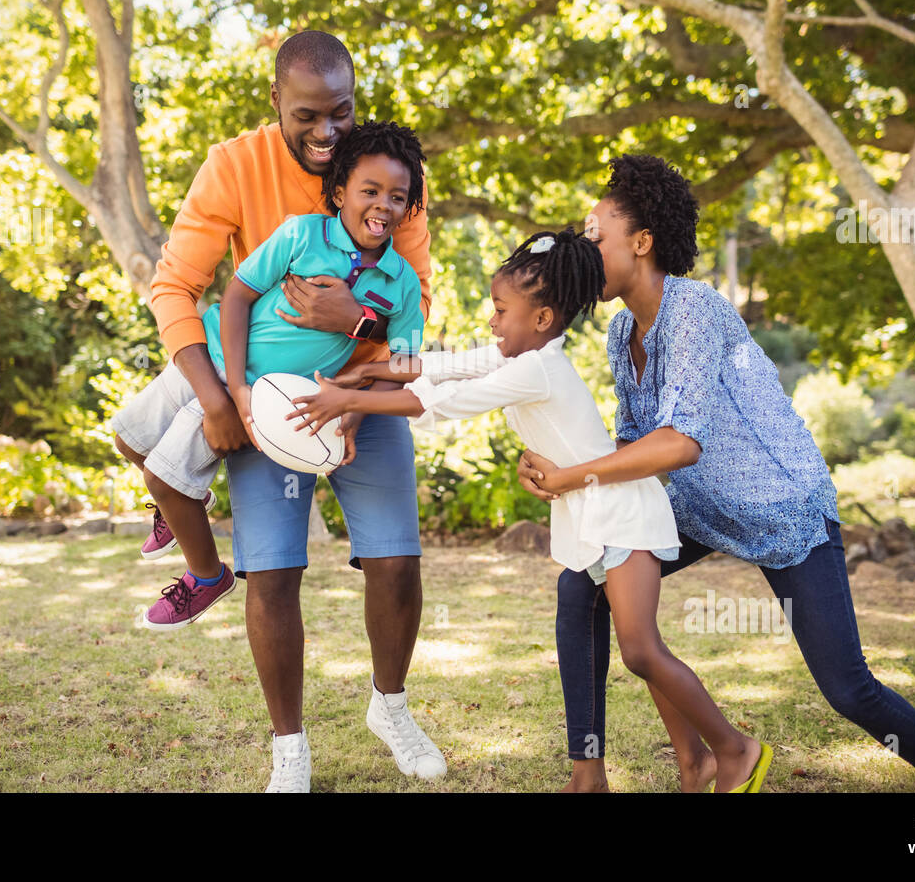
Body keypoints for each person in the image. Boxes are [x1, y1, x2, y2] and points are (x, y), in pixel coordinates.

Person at [516, 154, 915, 794]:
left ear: (642, 242)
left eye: (596, 233)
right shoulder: (622, 328)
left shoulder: (695, 311)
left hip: (782, 510)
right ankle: (606, 773)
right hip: (699, 511)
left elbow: (679, 444)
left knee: (849, 689)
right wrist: (560, 463)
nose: (585, 244)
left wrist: (574, 477)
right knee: (588, 583)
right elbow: (635, 440)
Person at [290, 228, 775, 792]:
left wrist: (345, 398)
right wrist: (370, 371)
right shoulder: (517, 353)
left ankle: (735, 750)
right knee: (639, 648)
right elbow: (440, 367)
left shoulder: (535, 369)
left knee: (642, 649)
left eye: (500, 310)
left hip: (624, 515)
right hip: (592, 520)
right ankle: (695, 764)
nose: (492, 321)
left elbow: (438, 403)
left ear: (542, 318)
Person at [111, 31, 443, 792]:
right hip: (261, 393)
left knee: (395, 564)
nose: (327, 132)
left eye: (341, 112)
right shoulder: (234, 167)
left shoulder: (391, 177)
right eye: (307, 116)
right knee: (272, 575)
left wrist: (354, 356)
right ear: (275, 104)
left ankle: (390, 707)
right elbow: (180, 288)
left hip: (360, 387)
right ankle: (289, 748)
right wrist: (222, 398)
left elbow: (415, 308)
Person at [111, 120, 426, 631]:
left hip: (266, 394)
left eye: (398, 196)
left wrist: (359, 406)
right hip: (214, 356)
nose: (383, 205)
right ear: (340, 192)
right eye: (370, 191)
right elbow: (237, 296)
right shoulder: (301, 234)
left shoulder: (402, 285)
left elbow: (407, 363)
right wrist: (229, 386)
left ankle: (207, 575)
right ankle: (182, 505)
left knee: (161, 477)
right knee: (128, 439)